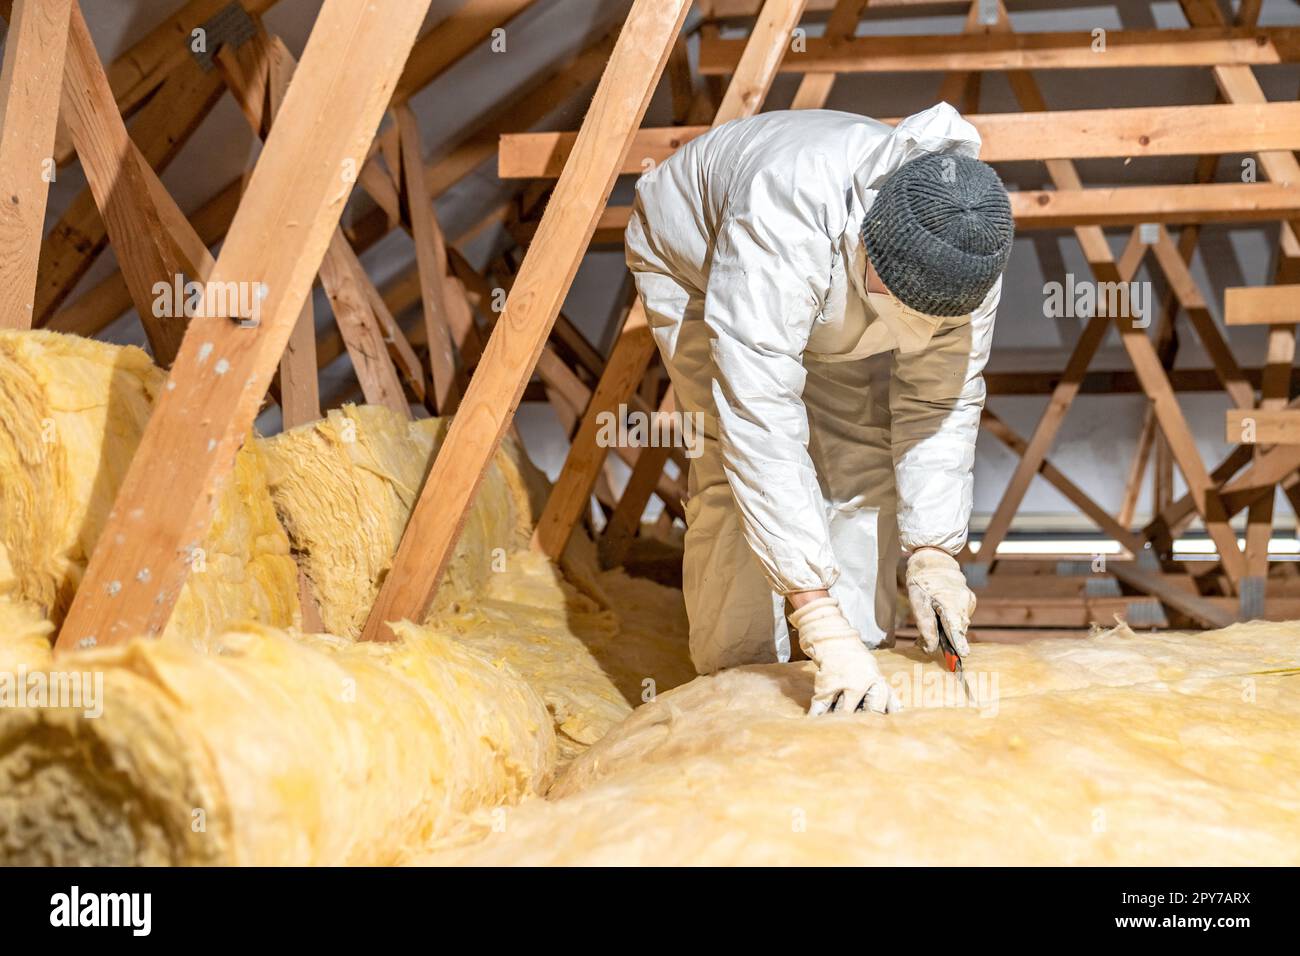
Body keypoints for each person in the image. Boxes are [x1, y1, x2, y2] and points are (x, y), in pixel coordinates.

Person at [624, 103, 1014, 715]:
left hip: (829, 282)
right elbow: (760, 421)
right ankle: (743, 686)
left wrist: (935, 551)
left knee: (857, 458)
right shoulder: (785, 216)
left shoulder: (972, 252)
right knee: (731, 469)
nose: (915, 329)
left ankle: (861, 666)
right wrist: (814, 613)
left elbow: (940, 398)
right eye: (902, 304)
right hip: (695, 257)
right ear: (869, 249)